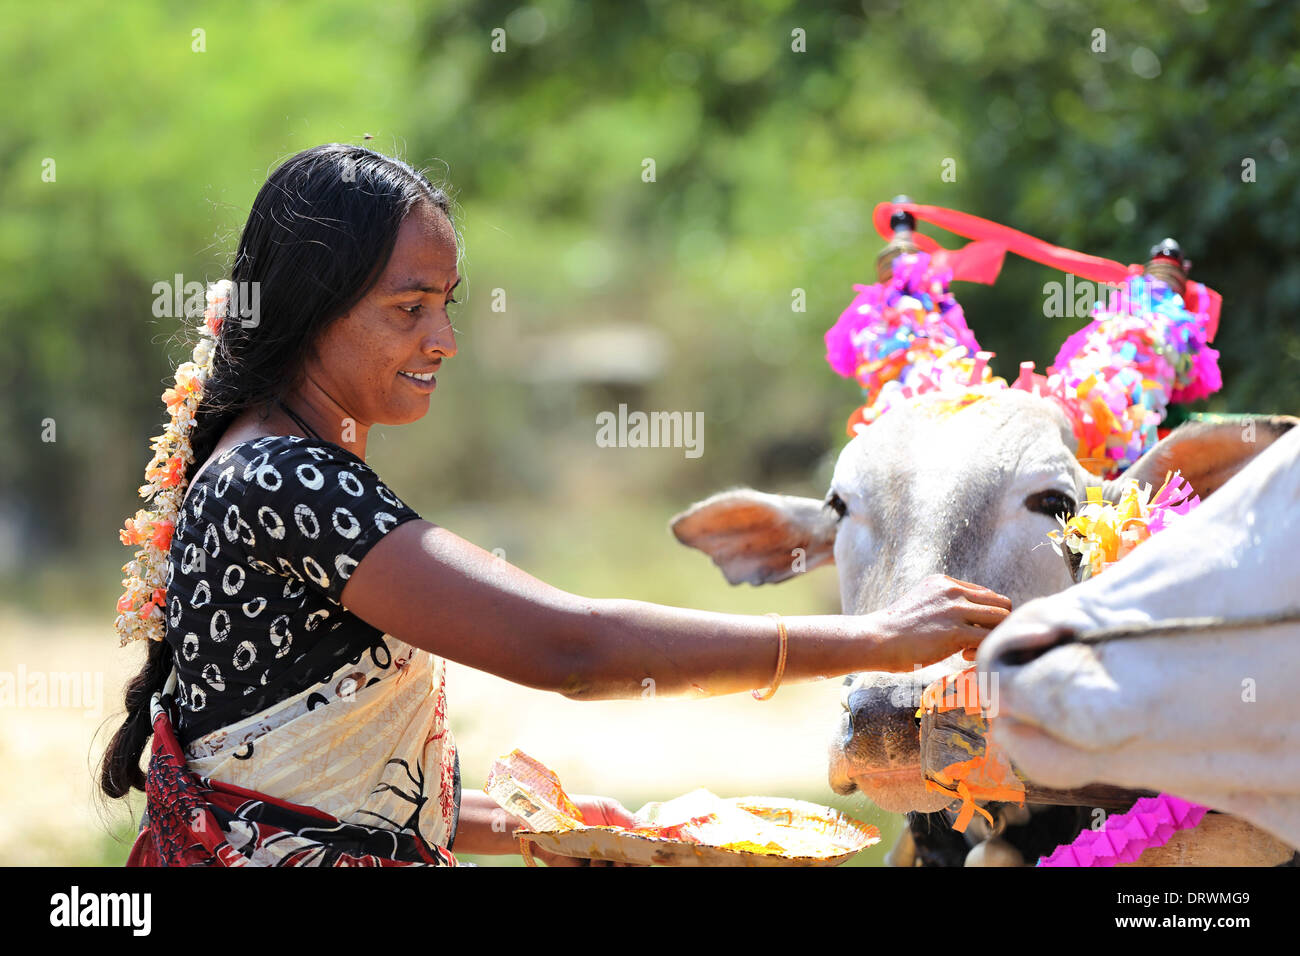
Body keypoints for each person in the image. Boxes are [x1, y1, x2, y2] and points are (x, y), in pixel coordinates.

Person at [102, 144, 1013, 867]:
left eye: (446, 304)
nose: (445, 339)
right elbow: (567, 647)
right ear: (313, 307)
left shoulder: (277, 461)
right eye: (409, 308)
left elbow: (327, 784)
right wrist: (873, 642)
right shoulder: (285, 478)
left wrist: (557, 828)